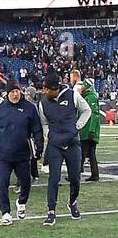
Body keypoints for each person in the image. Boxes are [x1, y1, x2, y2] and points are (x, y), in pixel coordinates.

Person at [37, 71, 90, 225]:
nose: (44, 91)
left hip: (72, 143)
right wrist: (48, 134)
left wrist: (77, 126)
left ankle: (72, 202)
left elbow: (87, 110)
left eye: (47, 89)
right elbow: (44, 122)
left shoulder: (73, 95)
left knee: (75, 178)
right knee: (54, 178)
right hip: (55, 145)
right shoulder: (43, 102)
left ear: (55, 89)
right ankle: (51, 211)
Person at [0, 82, 42, 225]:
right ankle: (5, 213)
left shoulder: (30, 108)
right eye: (12, 92)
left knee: (26, 183)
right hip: (3, 155)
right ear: (7, 93)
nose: (15, 94)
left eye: (17, 91)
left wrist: (39, 146)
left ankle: (21, 202)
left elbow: (37, 129)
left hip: (23, 154)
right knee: (2, 183)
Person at [76, 77, 101, 181]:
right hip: (87, 130)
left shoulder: (90, 97)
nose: (82, 87)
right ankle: (95, 174)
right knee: (91, 154)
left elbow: (94, 115)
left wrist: (91, 130)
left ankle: (75, 175)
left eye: (83, 85)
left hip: (88, 131)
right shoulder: (87, 96)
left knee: (81, 153)